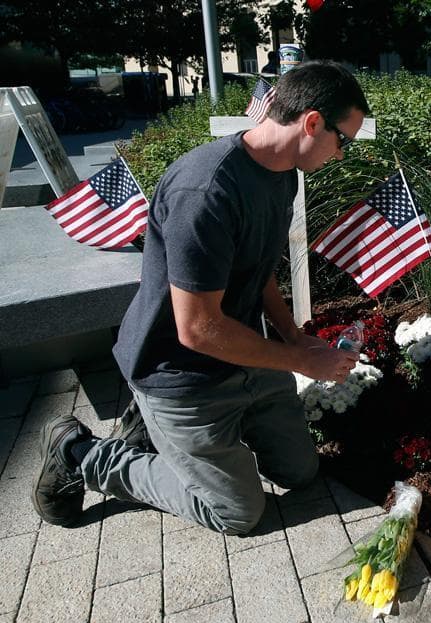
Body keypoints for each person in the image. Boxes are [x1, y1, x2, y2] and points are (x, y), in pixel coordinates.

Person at [32, 61, 369, 534]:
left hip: (241, 356)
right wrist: (298, 361)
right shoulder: (205, 190)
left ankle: (161, 436)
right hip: (178, 373)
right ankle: (81, 453)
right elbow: (197, 329)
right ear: (312, 123)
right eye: (344, 140)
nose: (341, 154)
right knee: (237, 513)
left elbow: (258, 267)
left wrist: (296, 337)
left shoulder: (283, 174)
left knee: (300, 473)